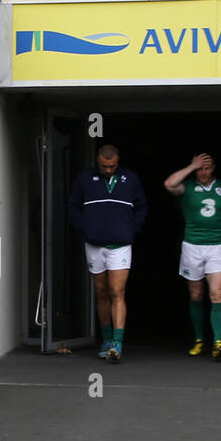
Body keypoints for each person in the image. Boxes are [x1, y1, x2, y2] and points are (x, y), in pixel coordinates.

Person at [67, 143, 147, 363]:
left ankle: (118, 343)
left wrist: (132, 227)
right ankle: (107, 339)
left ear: (118, 160)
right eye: (104, 166)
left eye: (112, 166)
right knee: (101, 291)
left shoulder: (129, 178)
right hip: (94, 244)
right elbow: (73, 205)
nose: (108, 170)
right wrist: (83, 226)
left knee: (117, 291)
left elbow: (142, 206)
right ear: (98, 161)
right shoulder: (85, 178)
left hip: (120, 244)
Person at [165, 152, 221, 362]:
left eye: (207, 168)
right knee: (196, 295)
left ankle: (218, 342)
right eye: (200, 168)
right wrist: (191, 167)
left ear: (214, 168)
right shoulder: (187, 186)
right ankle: (200, 339)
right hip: (192, 246)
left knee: (217, 294)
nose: (203, 172)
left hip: (217, 246)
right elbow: (169, 184)